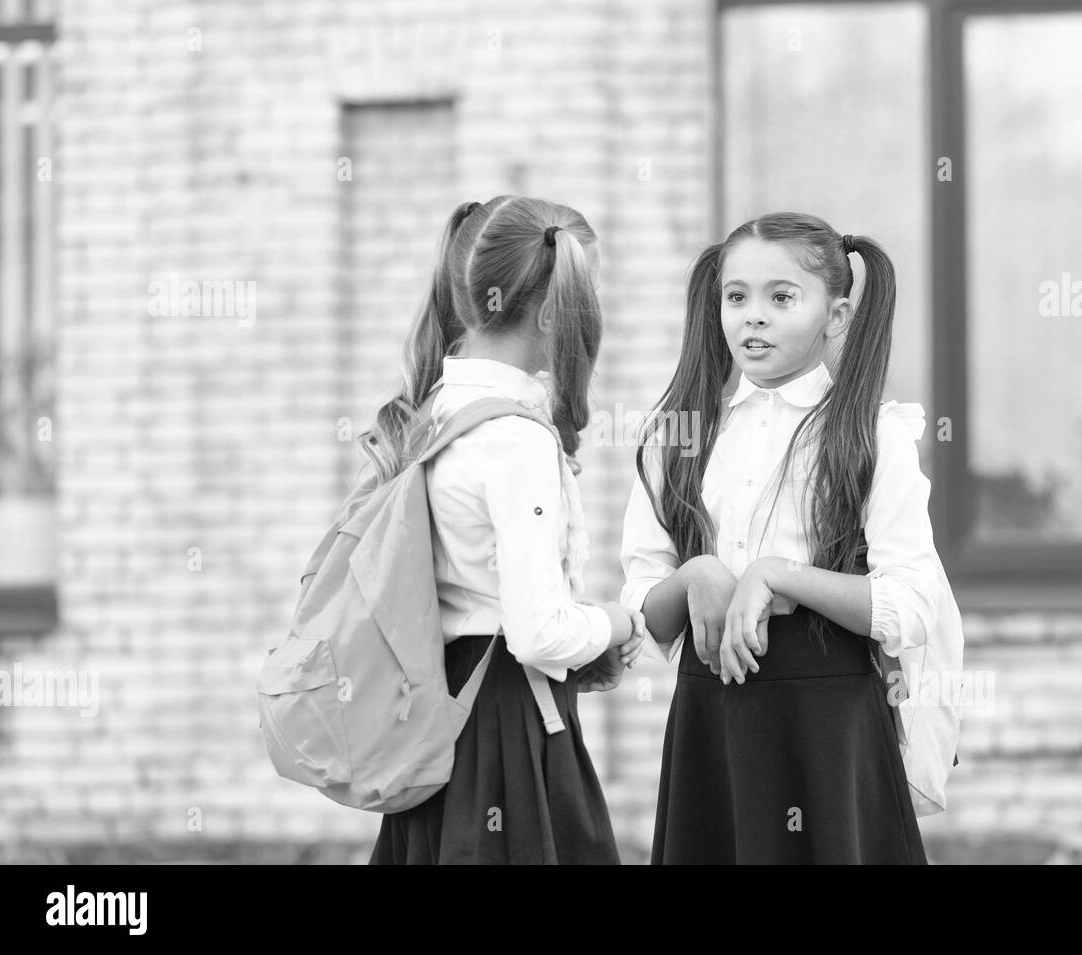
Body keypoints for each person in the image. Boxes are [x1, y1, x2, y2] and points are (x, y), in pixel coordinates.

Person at [621, 212, 961, 864]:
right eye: (736, 296)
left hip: (829, 728)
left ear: (836, 316)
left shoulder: (873, 437)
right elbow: (641, 616)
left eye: (781, 297)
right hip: (709, 729)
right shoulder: (679, 439)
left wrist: (779, 574)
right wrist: (696, 575)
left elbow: (913, 604)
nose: (753, 315)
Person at [364, 196, 645, 864]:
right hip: (505, 729)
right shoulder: (515, 437)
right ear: (553, 312)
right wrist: (618, 622)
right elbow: (538, 633)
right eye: (589, 292)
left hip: (440, 715)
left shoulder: (436, 409)